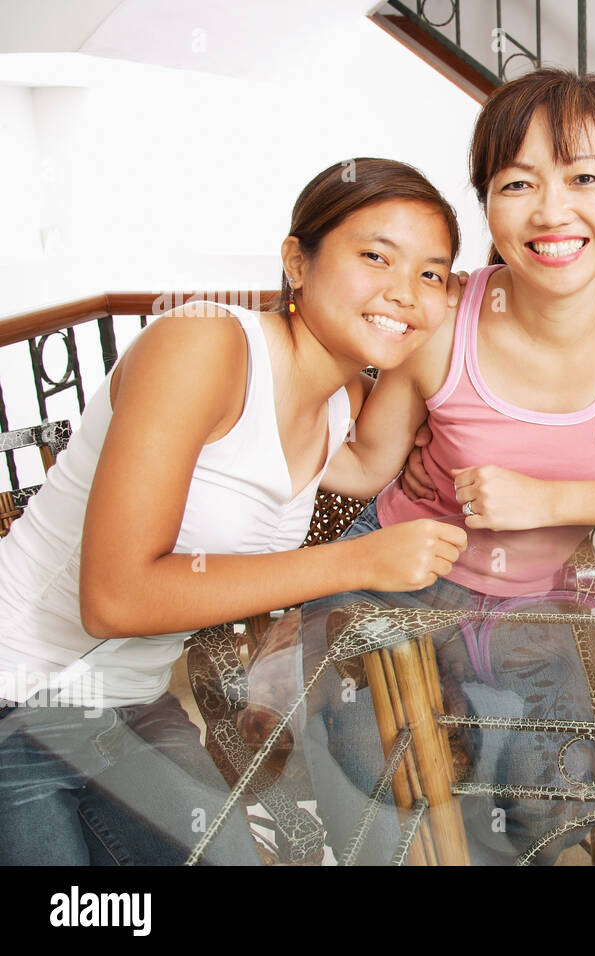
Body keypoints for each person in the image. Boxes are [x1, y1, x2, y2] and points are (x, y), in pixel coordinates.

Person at [302, 68, 595, 865]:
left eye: (585, 178)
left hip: (535, 600)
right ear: (485, 203)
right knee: (387, 784)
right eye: (518, 183)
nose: (553, 212)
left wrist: (546, 499)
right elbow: (365, 464)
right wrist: (255, 408)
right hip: (394, 574)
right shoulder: (445, 313)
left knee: (557, 803)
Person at [0, 157, 469, 865]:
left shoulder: (339, 407)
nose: (404, 290)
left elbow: (378, 461)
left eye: (431, 274)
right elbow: (114, 597)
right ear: (296, 262)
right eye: (376, 257)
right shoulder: (204, 345)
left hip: (125, 704)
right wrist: (348, 560)